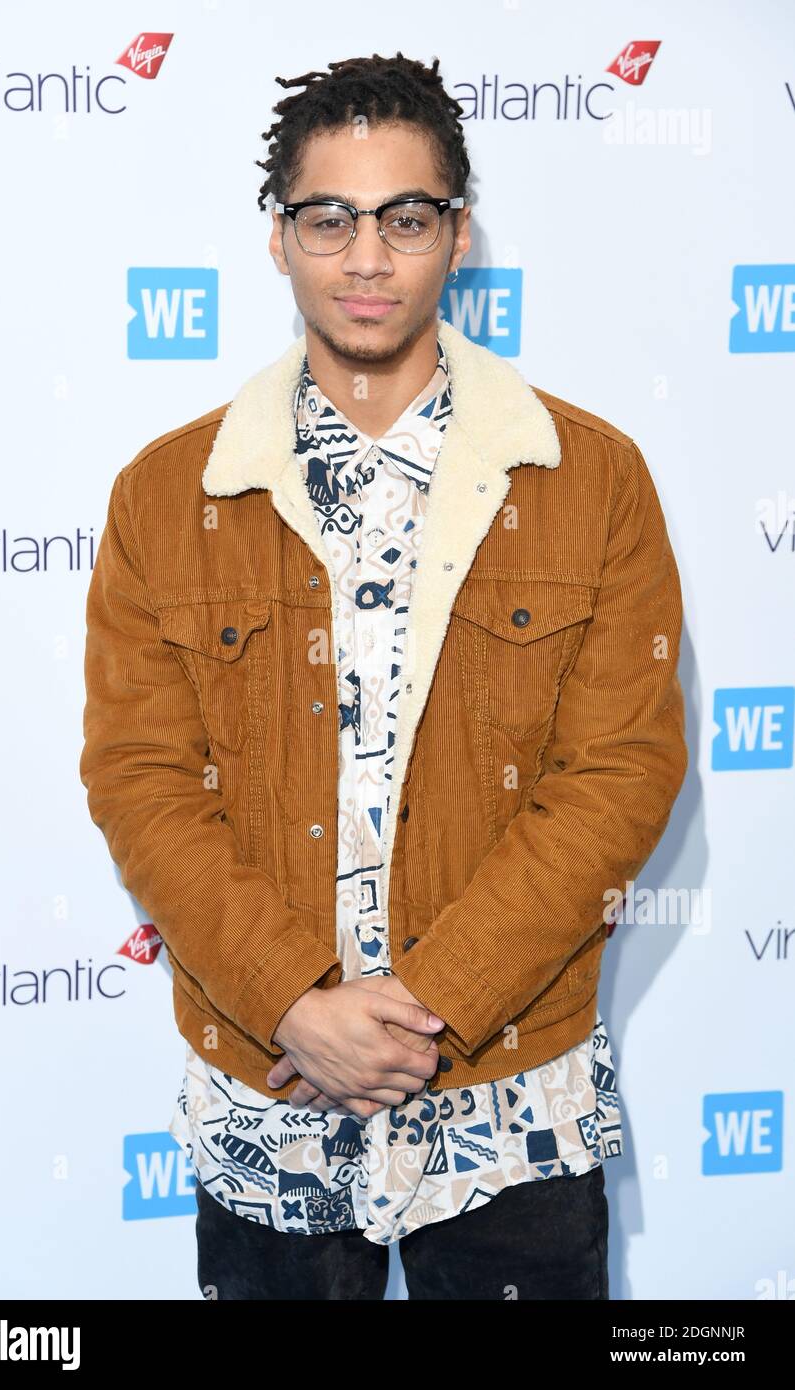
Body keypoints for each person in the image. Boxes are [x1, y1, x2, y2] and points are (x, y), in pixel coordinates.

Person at [80, 52, 688, 1300]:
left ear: (456, 235)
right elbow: (141, 780)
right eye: (330, 219)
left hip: (510, 1103)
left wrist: (424, 1005)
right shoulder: (164, 494)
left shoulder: (592, 477)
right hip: (271, 1092)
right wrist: (292, 999)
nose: (366, 258)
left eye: (404, 218)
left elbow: (619, 774)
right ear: (278, 239)